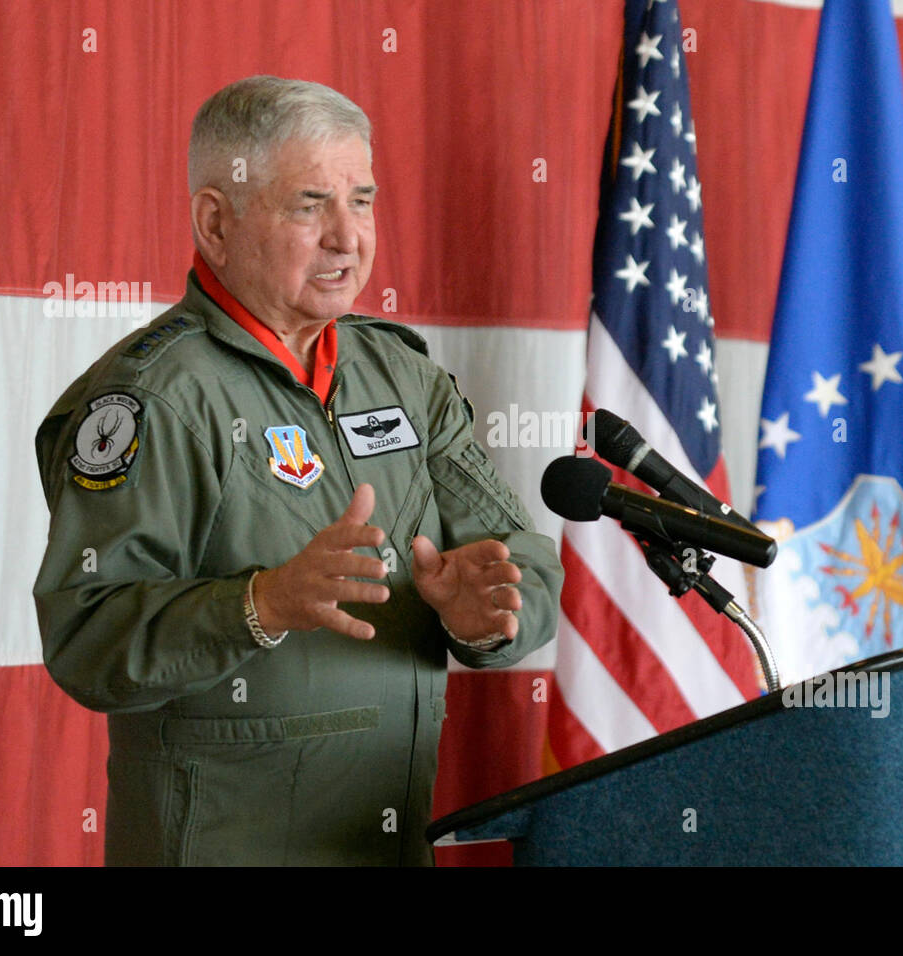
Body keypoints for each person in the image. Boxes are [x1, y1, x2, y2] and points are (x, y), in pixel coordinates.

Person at [32, 75, 563, 866]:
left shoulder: (405, 378)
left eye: (363, 200)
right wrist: (263, 602)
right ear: (217, 221)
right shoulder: (153, 399)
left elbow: (523, 557)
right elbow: (86, 637)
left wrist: (487, 610)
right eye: (311, 204)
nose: (348, 237)